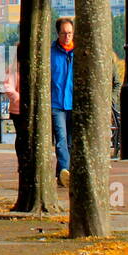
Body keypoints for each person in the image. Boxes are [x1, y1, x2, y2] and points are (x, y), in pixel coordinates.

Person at [50, 18, 75, 187]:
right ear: (58, 33)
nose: (67, 36)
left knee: (71, 141)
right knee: (61, 139)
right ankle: (66, 170)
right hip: (57, 103)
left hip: (74, 103)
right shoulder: (51, 52)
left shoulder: (78, 52)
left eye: (70, 33)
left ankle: (62, 174)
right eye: (63, 33)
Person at [1, 56, 25, 173]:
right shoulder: (13, 69)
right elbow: (7, 86)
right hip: (18, 109)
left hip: (31, 108)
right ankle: (22, 162)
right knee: (21, 137)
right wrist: (18, 98)